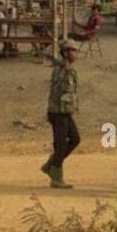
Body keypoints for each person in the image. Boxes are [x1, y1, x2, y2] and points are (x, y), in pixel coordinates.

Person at [42, 40, 80, 188]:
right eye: (71, 51)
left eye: (75, 51)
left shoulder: (69, 69)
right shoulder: (60, 70)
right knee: (61, 144)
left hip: (65, 111)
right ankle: (56, 178)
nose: (74, 54)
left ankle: (50, 165)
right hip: (57, 111)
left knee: (75, 139)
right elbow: (60, 91)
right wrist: (65, 71)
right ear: (65, 53)